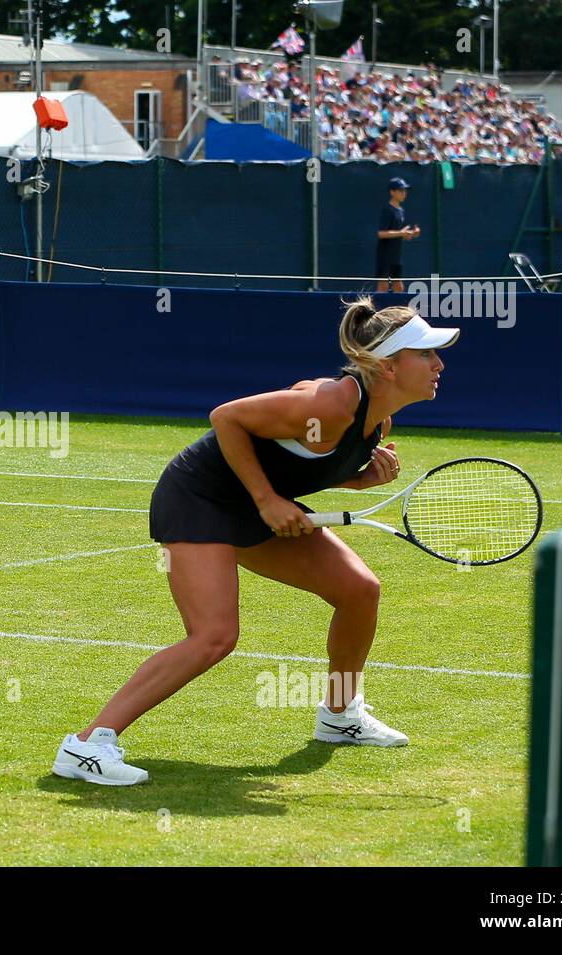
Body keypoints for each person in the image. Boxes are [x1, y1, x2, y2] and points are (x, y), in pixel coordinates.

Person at [52, 298, 459, 785]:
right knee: (215, 637)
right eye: (426, 353)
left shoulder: (375, 421)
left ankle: (339, 714)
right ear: (388, 366)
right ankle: (86, 746)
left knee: (359, 591)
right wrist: (267, 501)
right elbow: (227, 417)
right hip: (198, 499)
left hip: (249, 500)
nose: (439, 363)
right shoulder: (331, 405)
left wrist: (359, 480)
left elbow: (300, 457)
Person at [376, 177, 419, 292]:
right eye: (401, 190)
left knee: (398, 287)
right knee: (383, 286)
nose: (404, 193)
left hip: (396, 256)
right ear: (392, 192)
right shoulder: (387, 210)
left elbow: (401, 234)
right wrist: (401, 233)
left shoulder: (400, 210)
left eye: (405, 190)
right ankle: (377, 310)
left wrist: (412, 234)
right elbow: (381, 234)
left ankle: (398, 310)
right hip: (385, 255)